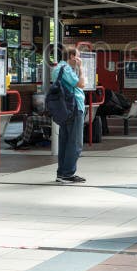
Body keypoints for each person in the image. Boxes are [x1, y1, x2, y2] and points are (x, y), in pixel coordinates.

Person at [51, 47, 86, 184]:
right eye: (78, 56)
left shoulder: (58, 68)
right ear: (72, 56)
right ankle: (67, 173)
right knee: (75, 142)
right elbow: (81, 84)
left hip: (64, 109)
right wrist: (82, 68)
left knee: (65, 142)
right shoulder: (65, 69)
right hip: (74, 107)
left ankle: (62, 172)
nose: (80, 58)